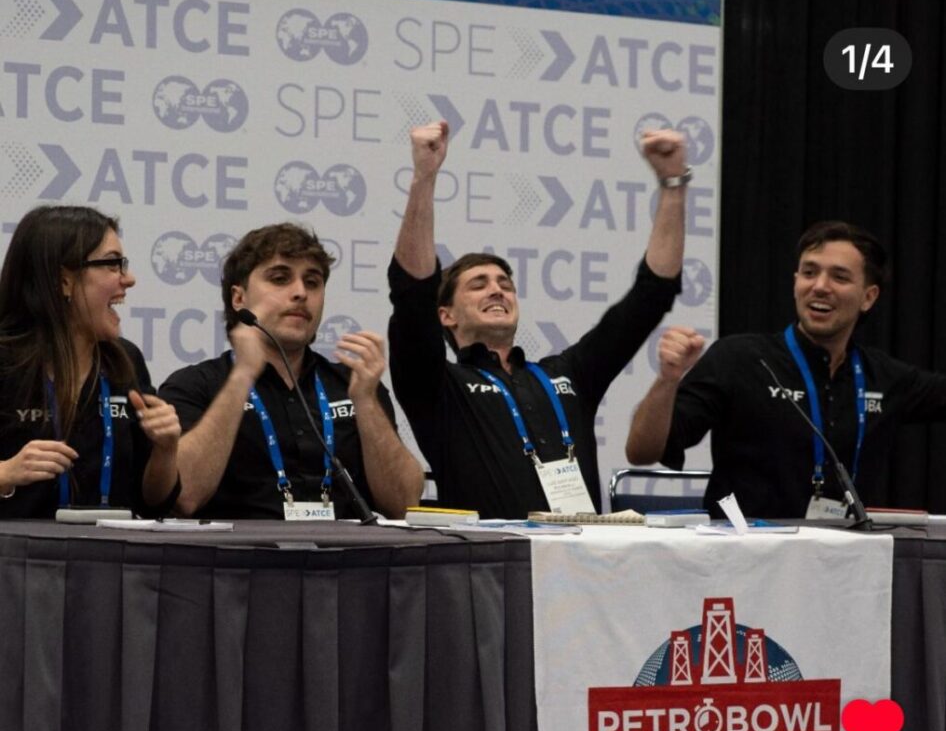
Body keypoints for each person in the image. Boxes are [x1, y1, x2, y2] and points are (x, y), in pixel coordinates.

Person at [388, 120, 689, 519]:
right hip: (495, 557)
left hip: (585, 552)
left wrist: (672, 185)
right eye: (478, 284)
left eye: (505, 284)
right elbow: (412, 294)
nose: (497, 290)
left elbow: (651, 297)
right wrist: (424, 178)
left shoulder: (568, 374)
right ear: (446, 315)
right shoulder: (437, 387)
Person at [626, 220, 946, 518]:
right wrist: (667, 380)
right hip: (747, 550)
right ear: (795, 283)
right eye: (809, 272)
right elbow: (641, 451)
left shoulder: (883, 377)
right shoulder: (739, 359)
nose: (820, 286)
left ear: (868, 297)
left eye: (839, 277)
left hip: (845, 554)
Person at [161, 222, 424, 520]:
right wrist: (242, 377)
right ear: (239, 298)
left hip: (345, 547)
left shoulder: (354, 384)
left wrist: (366, 402)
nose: (300, 293)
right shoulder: (195, 385)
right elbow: (183, 496)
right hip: (241, 549)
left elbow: (404, 504)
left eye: (312, 282)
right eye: (280, 278)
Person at [0, 205, 181, 517]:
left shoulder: (126, 360)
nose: (129, 279)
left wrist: (166, 449)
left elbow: (155, 501)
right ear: (64, 281)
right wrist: (5, 473)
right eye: (112, 264)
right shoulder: (5, 361)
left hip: (113, 547)